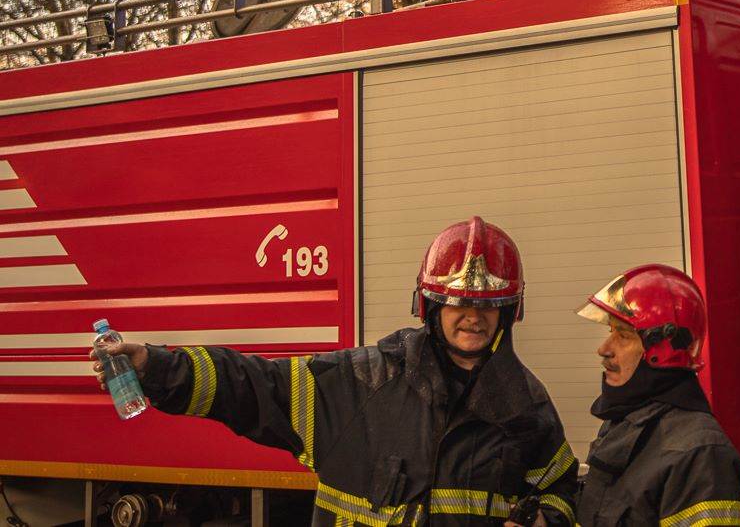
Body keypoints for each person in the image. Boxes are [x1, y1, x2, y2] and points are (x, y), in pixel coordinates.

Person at [91, 217, 577, 527]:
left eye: (488, 304)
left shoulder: (525, 403)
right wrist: (155, 366)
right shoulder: (361, 382)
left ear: (508, 312)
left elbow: (561, 490)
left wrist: (545, 521)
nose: (473, 316)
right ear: (429, 306)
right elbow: (251, 385)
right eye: (458, 302)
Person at [574, 264, 740, 527]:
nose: (604, 349)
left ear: (662, 349)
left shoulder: (700, 454)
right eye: (611, 332)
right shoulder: (625, 422)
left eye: (623, 335)